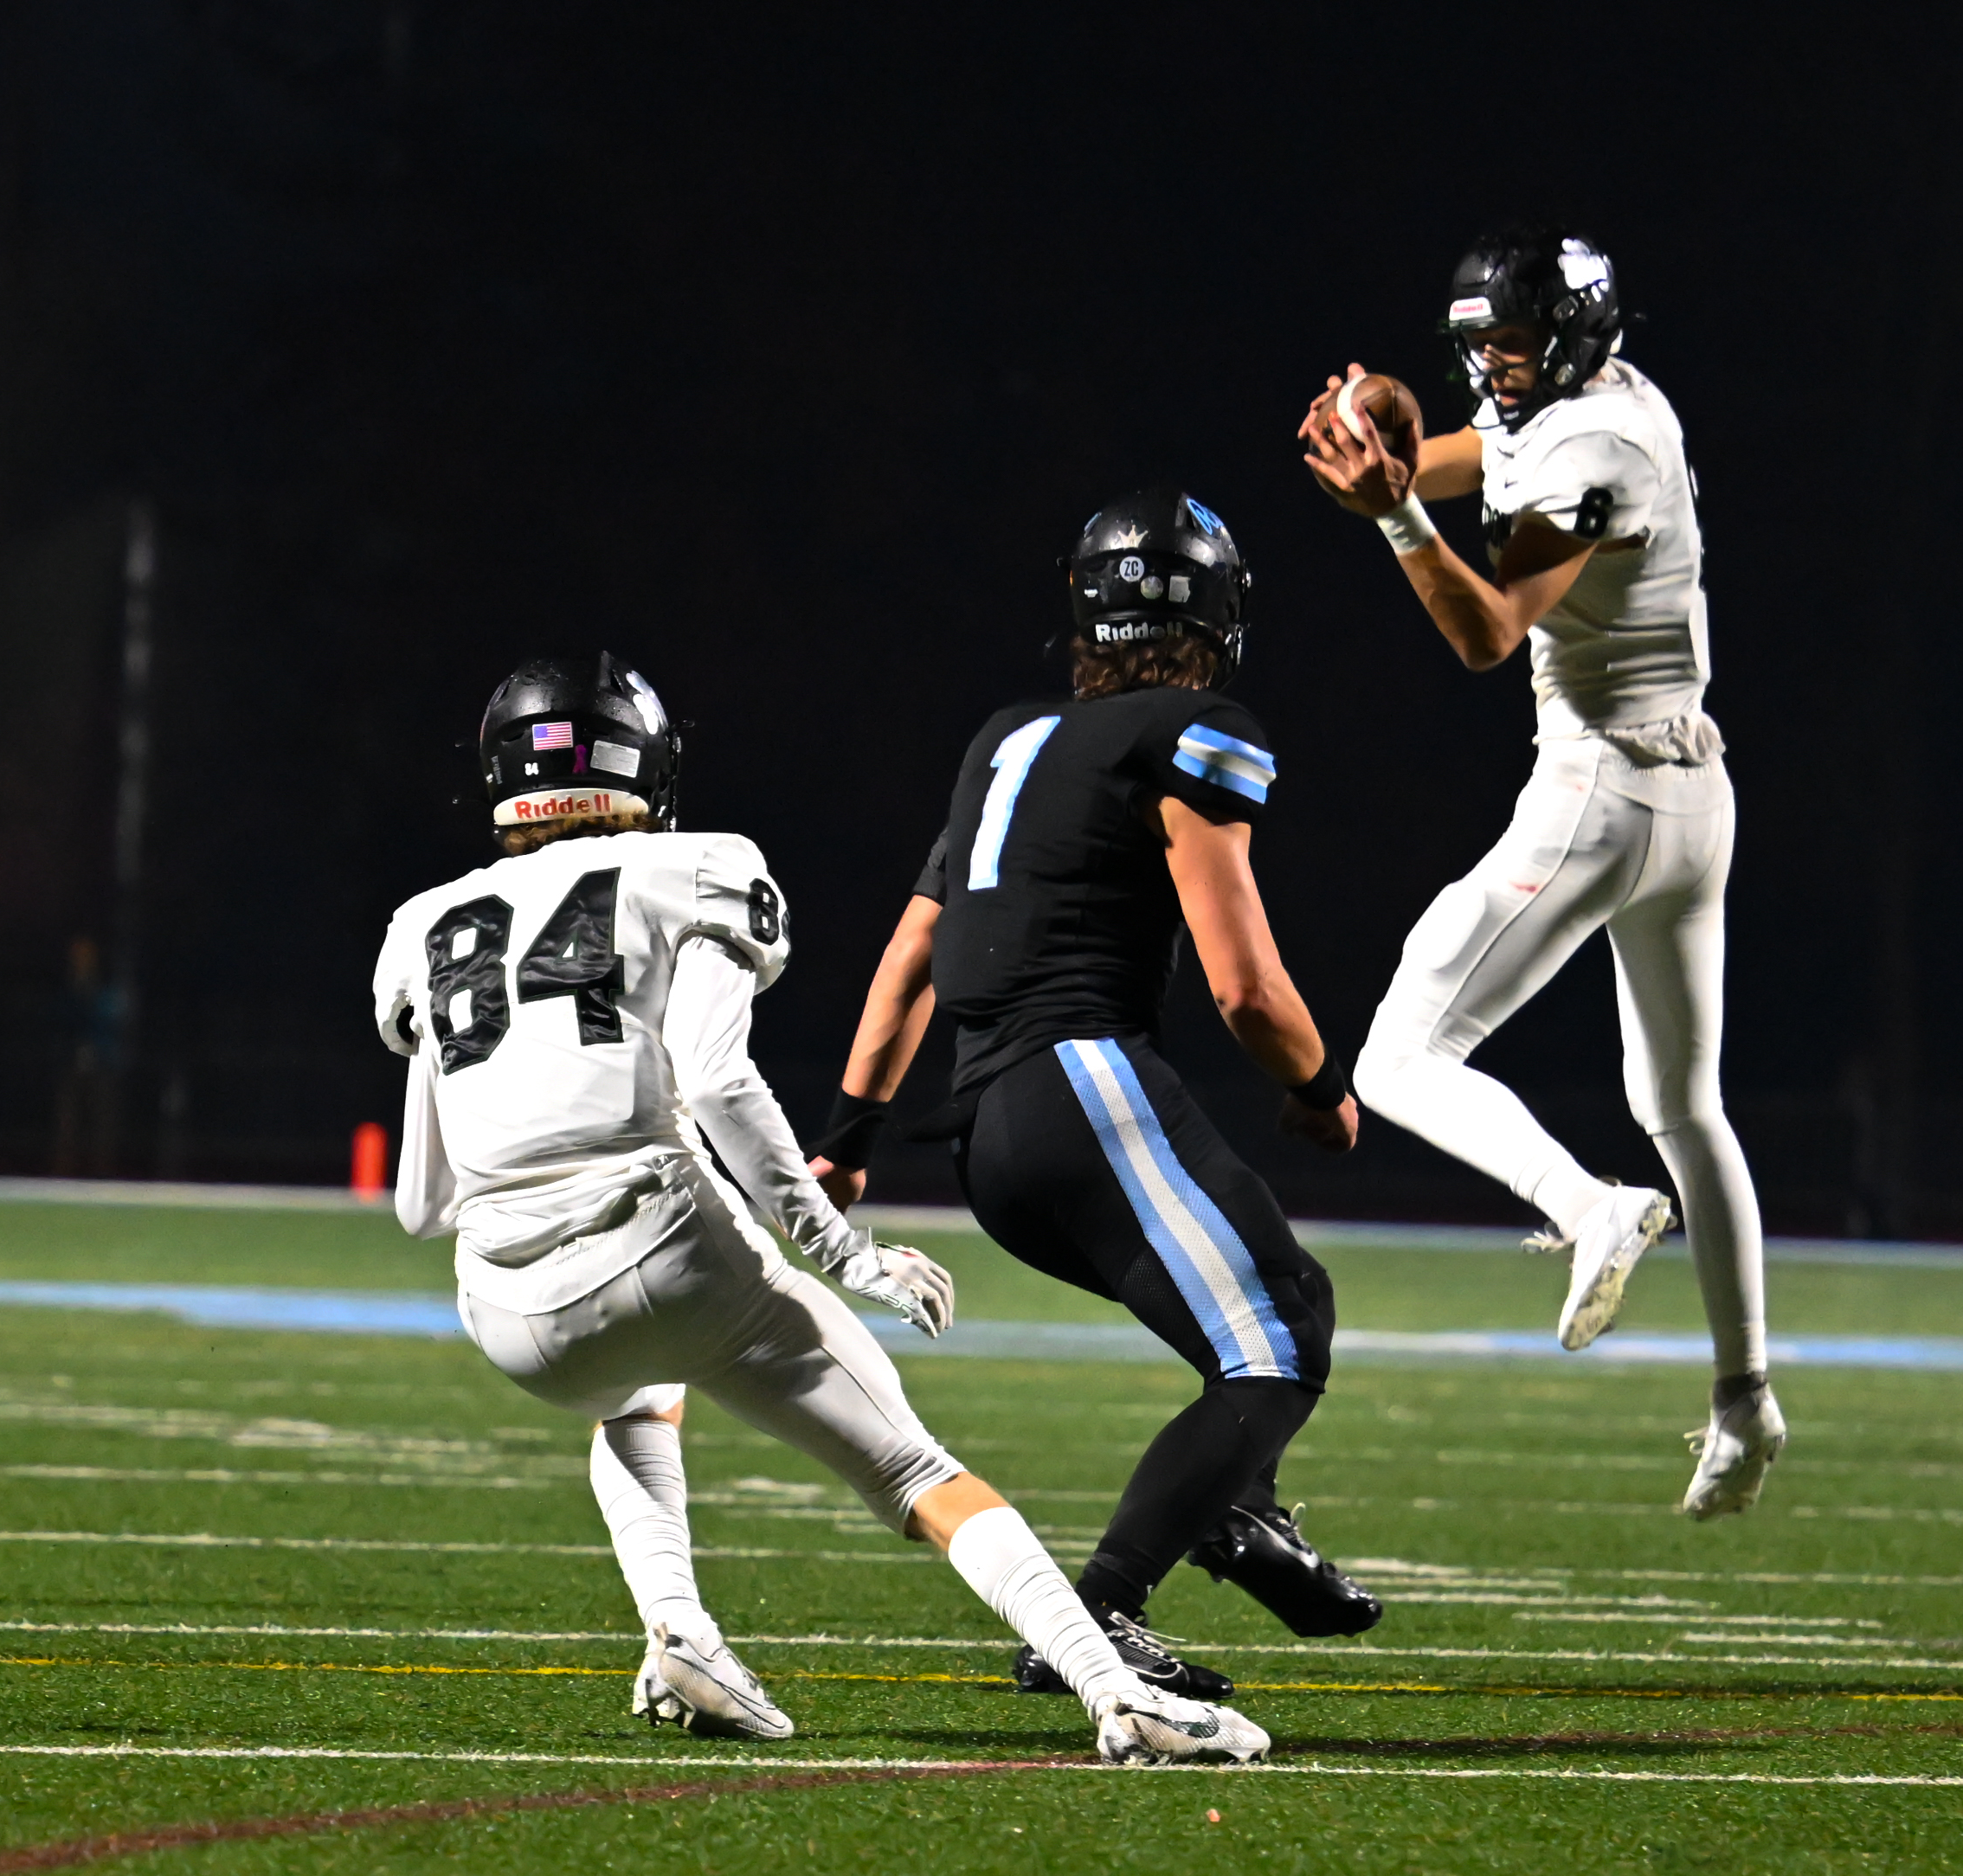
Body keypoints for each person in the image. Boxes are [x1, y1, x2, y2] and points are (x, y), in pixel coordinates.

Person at [370, 651, 1268, 1765]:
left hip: (502, 1309)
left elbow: (421, 1204)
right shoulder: (697, 864)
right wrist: (848, 1252)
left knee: (635, 1390)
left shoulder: (423, 923)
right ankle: (1115, 1692)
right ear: (644, 765)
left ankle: (681, 1633)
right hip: (656, 1240)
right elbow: (714, 1080)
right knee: (911, 1466)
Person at [808, 491, 1378, 1700]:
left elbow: (909, 957)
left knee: (1267, 1314)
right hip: (1079, 1081)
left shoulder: (1005, 743)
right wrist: (1321, 1088)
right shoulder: (1197, 729)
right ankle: (1102, 1610)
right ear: (1219, 612)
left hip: (987, 1135)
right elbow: (1242, 985)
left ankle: (1237, 1512)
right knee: (1272, 1339)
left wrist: (849, 1140)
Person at [1300, 226, 1780, 1519]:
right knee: (1685, 1108)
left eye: (1509, 344)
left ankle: (1585, 1205)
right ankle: (1743, 1402)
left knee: (1396, 1058)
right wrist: (1392, 455)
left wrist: (1392, 510)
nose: (1491, 369)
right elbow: (1474, 459)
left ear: (1566, 336)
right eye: (1475, 346)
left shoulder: (1596, 444)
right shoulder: (1589, 398)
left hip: (1602, 792)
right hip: (1691, 797)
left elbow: (1485, 630)